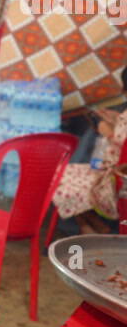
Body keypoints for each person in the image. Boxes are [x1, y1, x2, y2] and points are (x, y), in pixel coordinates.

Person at [52, 69, 127, 233]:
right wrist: (115, 121)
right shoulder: (124, 116)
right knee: (66, 173)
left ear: (123, 90)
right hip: (115, 174)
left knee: (59, 177)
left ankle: (86, 225)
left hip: (115, 182)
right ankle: (93, 225)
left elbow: (119, 145)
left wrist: (108, 129)